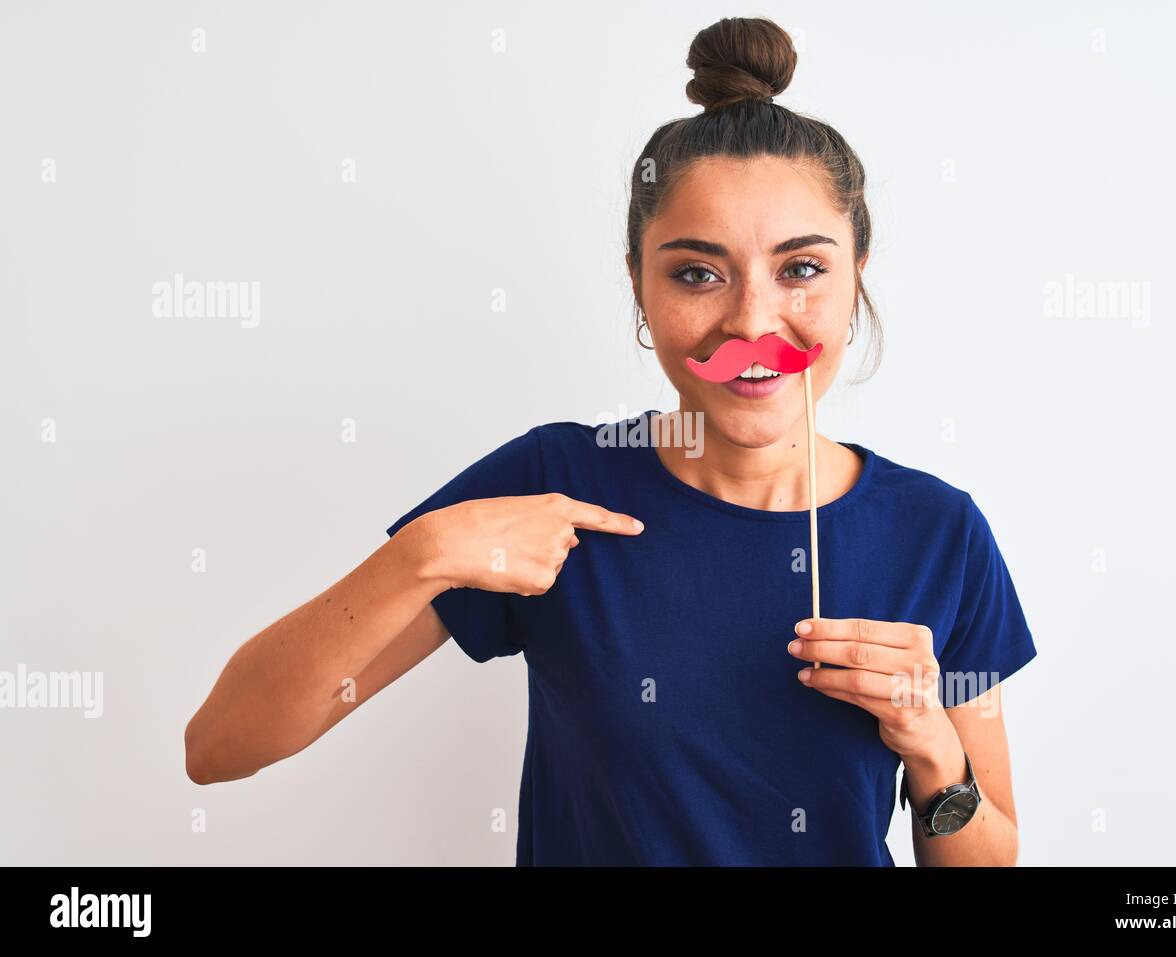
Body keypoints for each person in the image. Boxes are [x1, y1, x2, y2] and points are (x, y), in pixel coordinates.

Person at [185, 16, 1037, 867]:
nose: (751, 321)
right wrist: (426, 550)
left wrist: (933, 747)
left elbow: (992, 858)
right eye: (697, 273)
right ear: (639, 282)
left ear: (857, 275)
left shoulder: (939, 533)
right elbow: (221, 745)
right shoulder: (556, 483)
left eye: (801, 269)